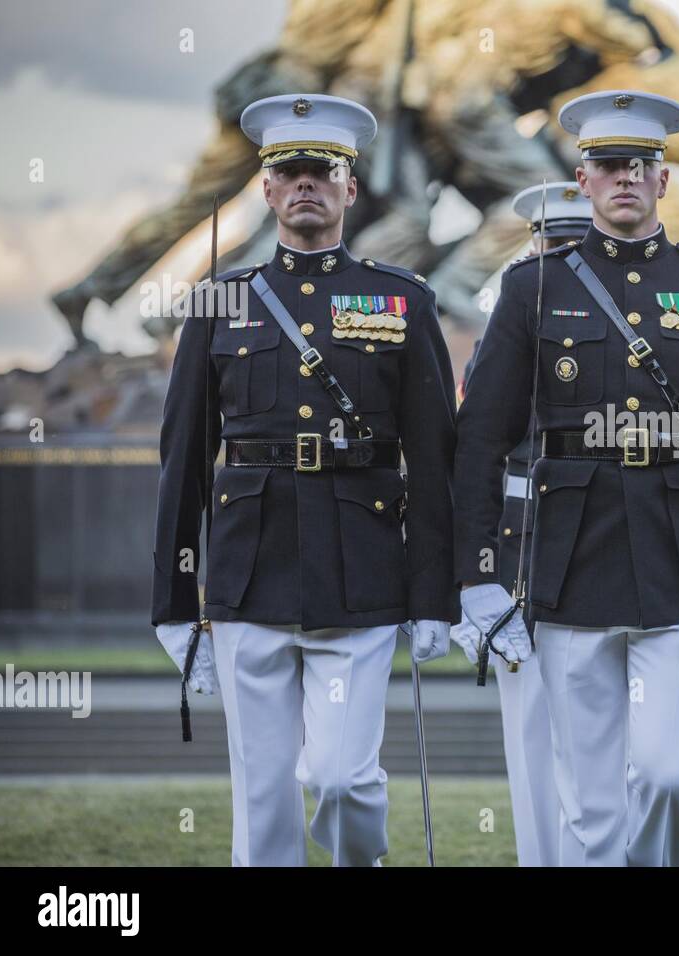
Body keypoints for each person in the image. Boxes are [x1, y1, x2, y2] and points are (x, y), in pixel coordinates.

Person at [454, 90, 679, 866]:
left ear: (663, 181)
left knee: (673, 775)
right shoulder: (534, 288)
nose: (625, 177)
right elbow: (482, 438)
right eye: (609, 165)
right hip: (573, 558)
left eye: (641, 165)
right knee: (590, 804)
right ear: (585, 180)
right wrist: (476, 573)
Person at [151, 93, 459, 866]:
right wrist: (172, 602)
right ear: (266, 188)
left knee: (343, 778)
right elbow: (185, 459)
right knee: (263, 800)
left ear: (351, 188)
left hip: (360, 574)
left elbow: (433, 463)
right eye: (289, 172)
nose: (305, 185)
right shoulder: (219, 304)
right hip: (249, 575)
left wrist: (434, 596)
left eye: (323, 171)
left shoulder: (402, 301)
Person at [452, 180, 593, 867]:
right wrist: (472, 578)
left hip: (601, 535)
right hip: (523, 536)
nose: (562, 254)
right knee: (534, 735)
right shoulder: (512, 315)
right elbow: (477, 441)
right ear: (534, 244)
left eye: (575, 241)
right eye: (553, 241)